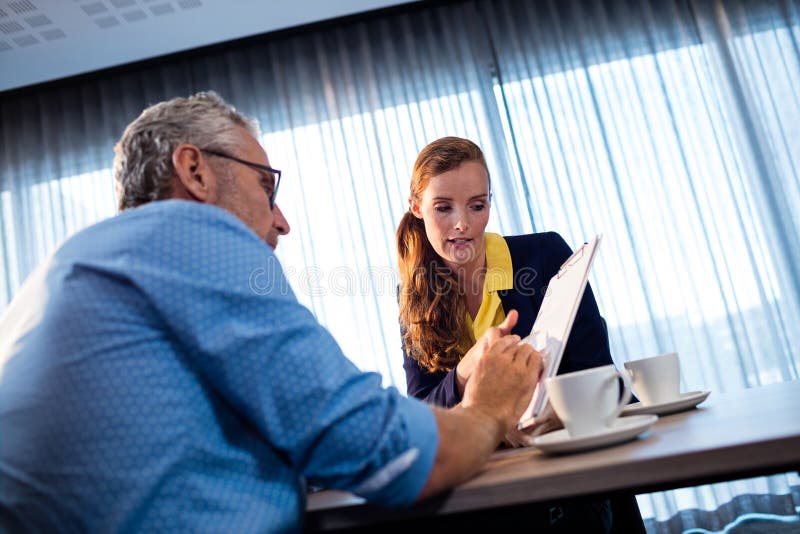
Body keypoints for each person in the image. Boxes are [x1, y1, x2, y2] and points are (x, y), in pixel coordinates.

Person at [0, 93, 542, 533]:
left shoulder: (72, 266)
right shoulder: (193, 236)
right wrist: (488, 410)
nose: (282, 221)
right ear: (195, 171)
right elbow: (388, 450)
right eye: (265, 185)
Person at [395, 136, 646, 532]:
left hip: (575, 485)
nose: (462, 224)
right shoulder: (414, 297)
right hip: (491, 500)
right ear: (416, 207)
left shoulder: (544, 256)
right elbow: (423, 414)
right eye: (443, 208)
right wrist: (464, 373)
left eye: (477, 206)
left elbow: (600, 376)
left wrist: (541, 411)